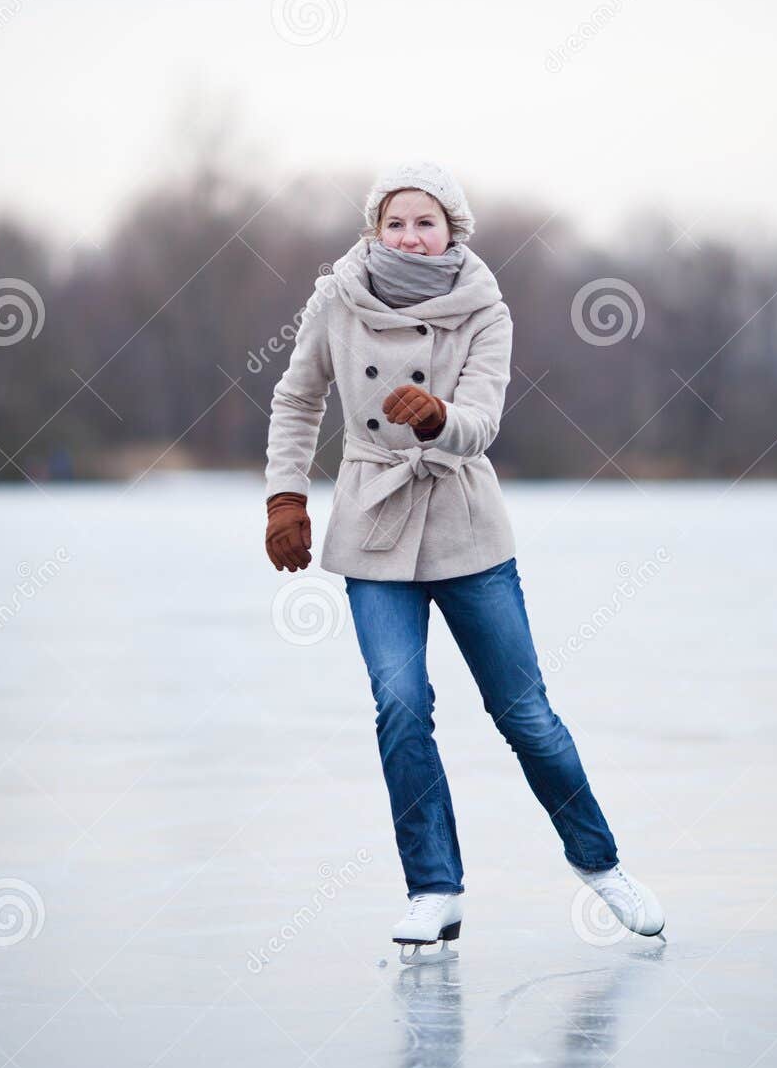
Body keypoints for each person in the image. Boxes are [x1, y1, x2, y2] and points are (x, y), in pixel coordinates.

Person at [264, 159, 665, 960]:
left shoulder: (485, 308)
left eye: (426, 221)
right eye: (395, 222)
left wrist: (438, 417)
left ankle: (600, 862)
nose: (410, 235)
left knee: (524, 715)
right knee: (401, 707)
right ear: (373, 229)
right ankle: (432, 889)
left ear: (452, 230)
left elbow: (481, 422)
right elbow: (297, 396)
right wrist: (285, 497)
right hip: (373, 528)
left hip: (464, 528)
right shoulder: (335, 298)